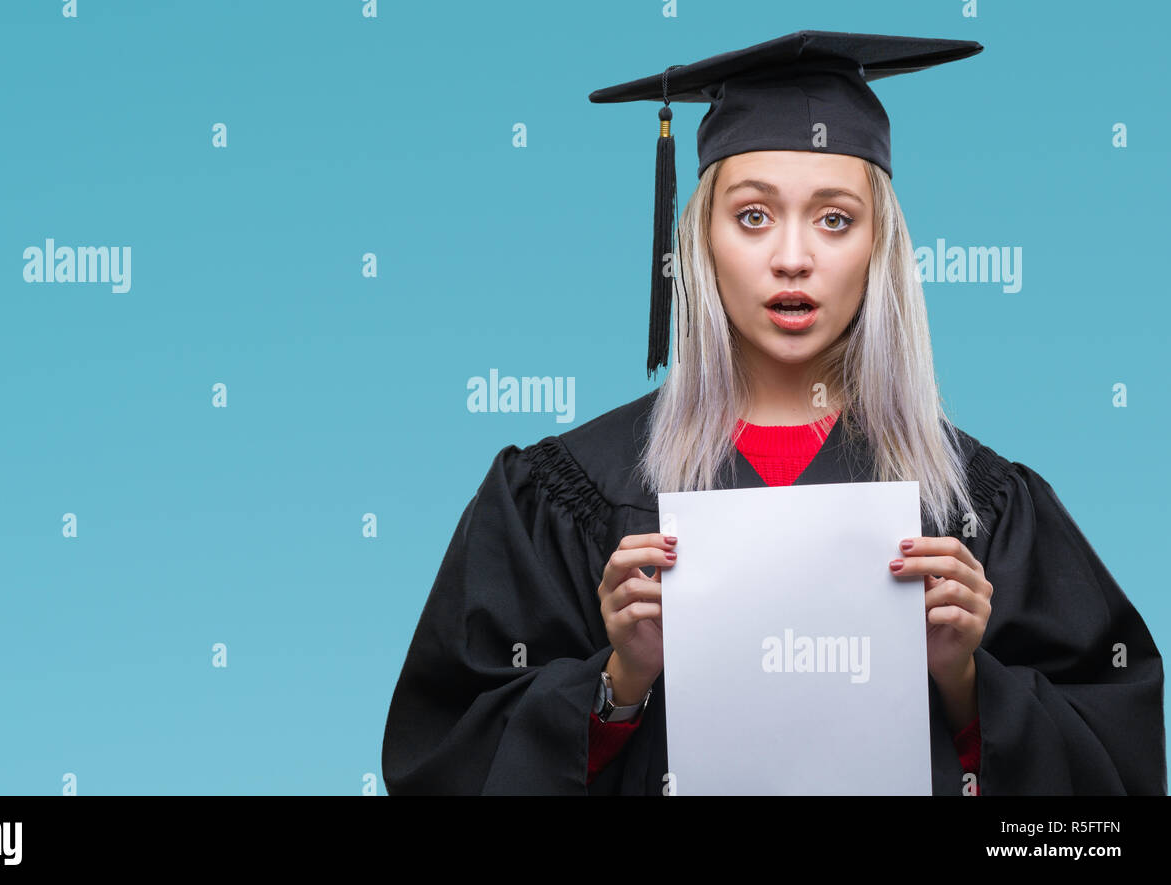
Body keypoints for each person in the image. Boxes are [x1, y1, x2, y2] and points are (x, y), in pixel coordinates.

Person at [380, 30, 1167, 795]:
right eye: (753, 215)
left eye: (835, 219)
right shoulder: (567, 494)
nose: (793, 257)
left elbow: (1110, 792)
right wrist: (618, 682)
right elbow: (439, 761)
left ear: (879, 247)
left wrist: (966, 683)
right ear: (699, 241)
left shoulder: (975, 508)